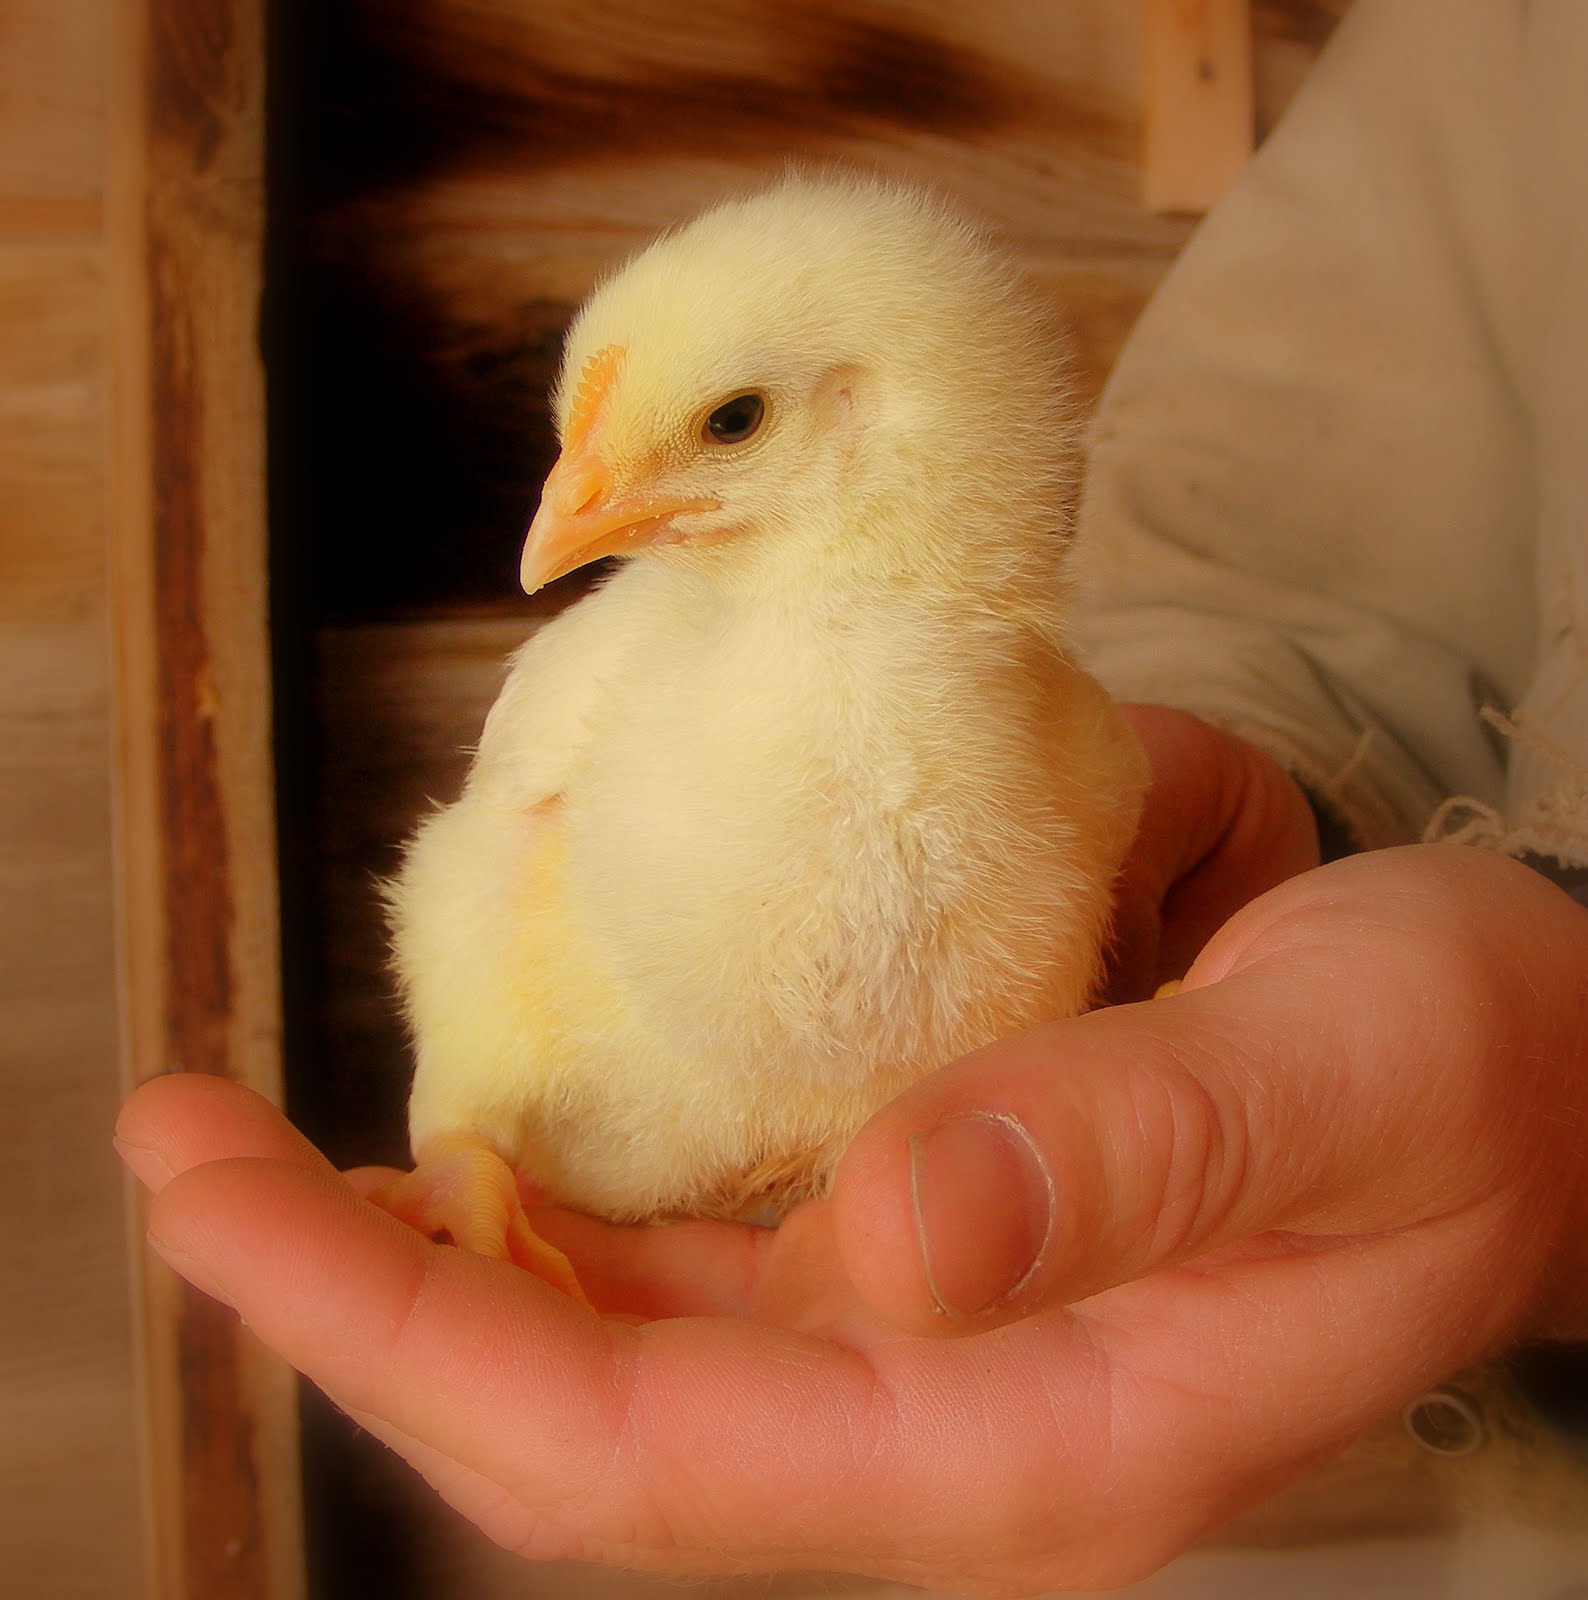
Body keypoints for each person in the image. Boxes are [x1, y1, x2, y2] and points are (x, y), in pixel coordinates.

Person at [115, 1, 1588, 1591]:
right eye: (584, 458)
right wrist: (1307, 835)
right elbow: (1312, 553)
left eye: (728, 425)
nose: (568, 519)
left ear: (881, 416)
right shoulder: (615, 681)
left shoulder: (1063, 741)